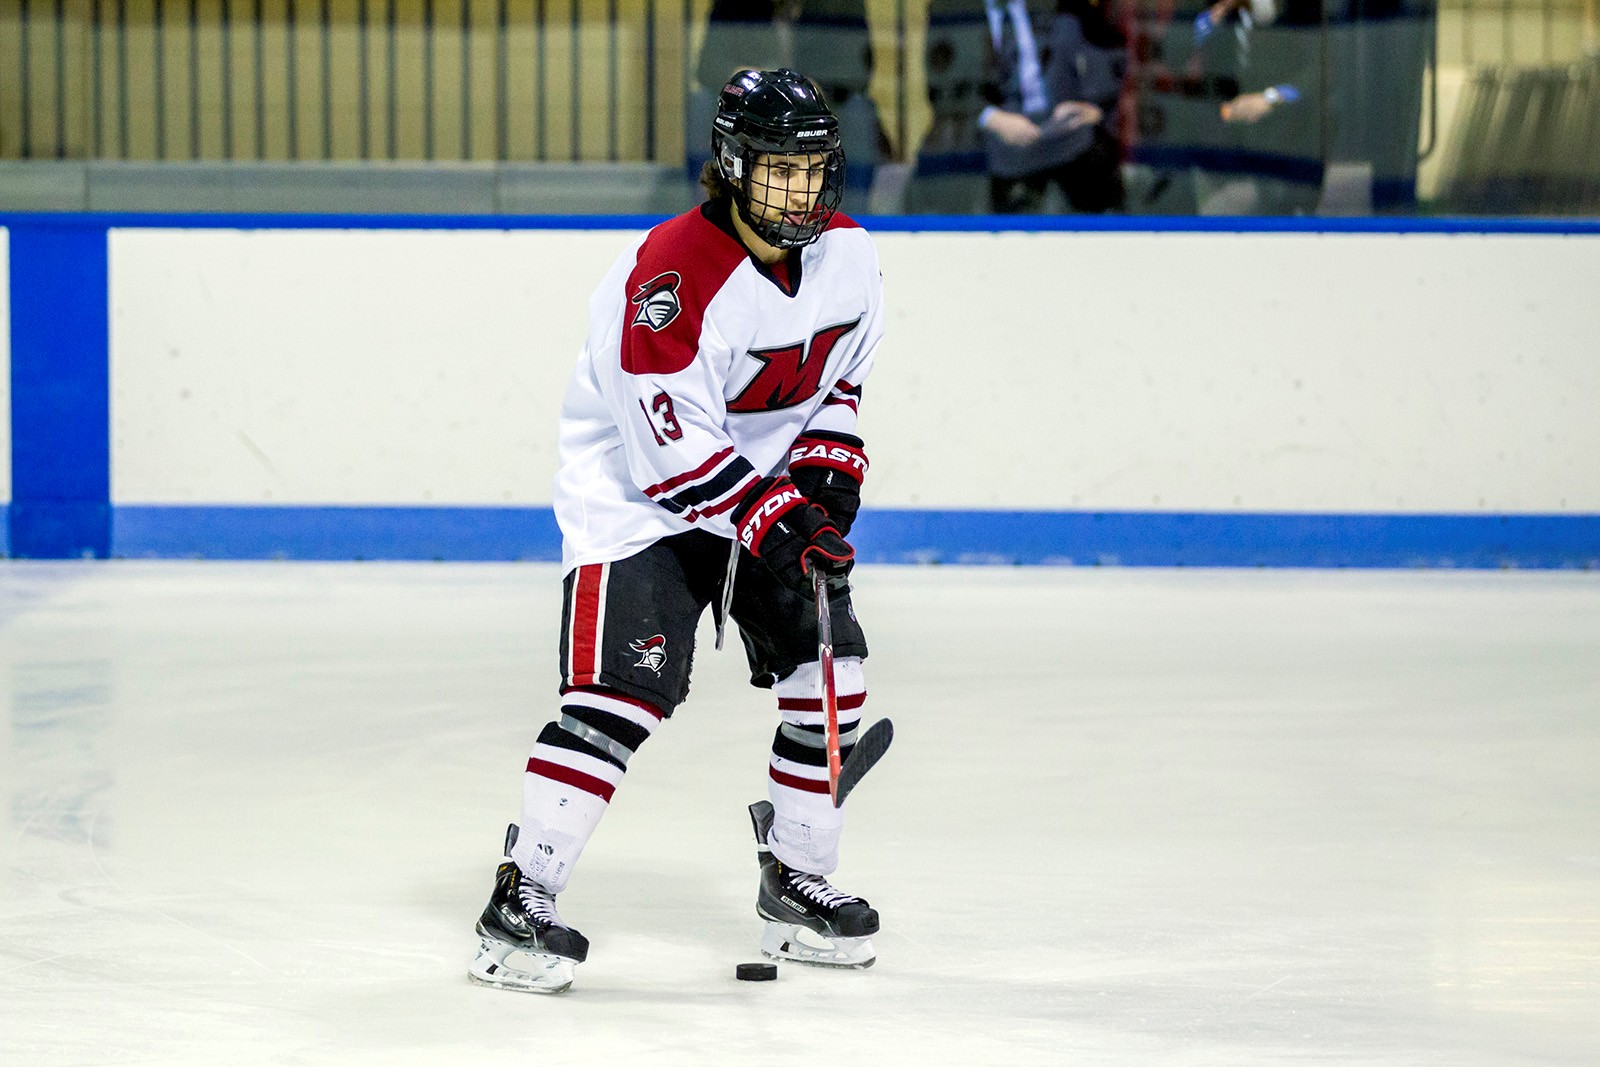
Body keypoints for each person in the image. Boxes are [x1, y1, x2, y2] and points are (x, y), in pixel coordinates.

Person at [468, 67, 887, 995]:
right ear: (732, 169)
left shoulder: (851, 258)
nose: (800, 192)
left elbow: (838, 380)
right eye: (778, 171)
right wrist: (775, 515)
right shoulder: (667, 280)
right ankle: (520, 894)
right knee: (623, 693)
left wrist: (827, 473)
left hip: (752, 493)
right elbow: (670, 455)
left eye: (813, 171)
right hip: (635, 502)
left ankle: (796, 878)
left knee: (832, 669)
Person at [976, 0, 1128, 213]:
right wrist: (991, 118)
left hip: (1072, 142)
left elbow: (1112, 56)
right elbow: (949, 93)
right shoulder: (958, 10)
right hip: (1006, 154)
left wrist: (1093, 108)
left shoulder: (1061, 8)